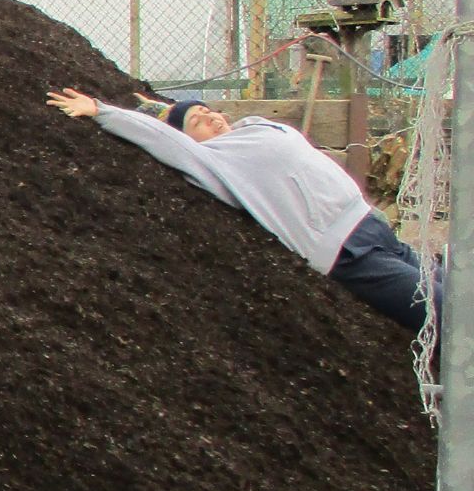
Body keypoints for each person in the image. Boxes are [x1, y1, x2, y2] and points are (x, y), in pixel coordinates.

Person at [45, 87, 428, 330]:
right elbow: (164, 139)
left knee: (458, 288)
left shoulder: (255, 127)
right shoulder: (216, 160)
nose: (212, 118)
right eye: (198, 121)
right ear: (189, 139)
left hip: (374, 227)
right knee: (446, 317)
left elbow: (174, 118)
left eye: (210, 111)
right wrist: (103, 111)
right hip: (351, 255)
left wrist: (174, 108)